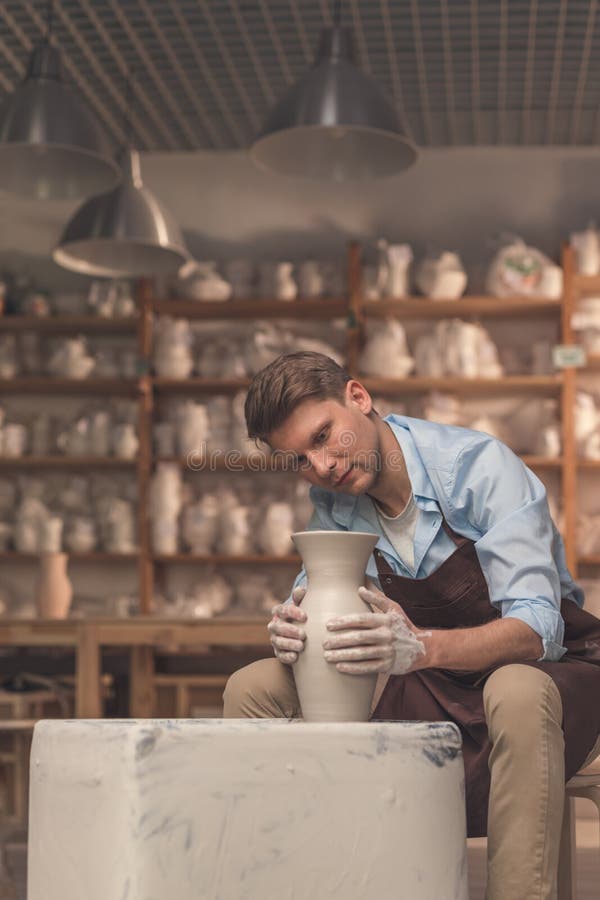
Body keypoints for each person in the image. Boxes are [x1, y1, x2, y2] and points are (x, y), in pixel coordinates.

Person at [223, 351, 600, 900]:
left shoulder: (475, 467)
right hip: (431, 684)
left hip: (547, 674)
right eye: (299, 459)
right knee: (252, 687)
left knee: (514, 687)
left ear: (358, 397)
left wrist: (421, 647)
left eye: (326, 435)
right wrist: (292, 629)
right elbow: (313, 600)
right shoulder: (334, 504)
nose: (323, 466)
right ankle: (299, 884)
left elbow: (538, 629)